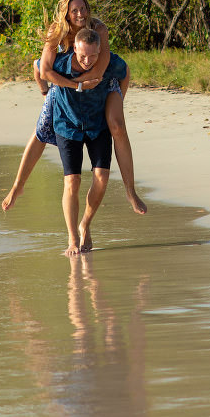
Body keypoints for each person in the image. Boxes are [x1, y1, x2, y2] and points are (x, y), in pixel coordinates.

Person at [1, 0, 146, 215]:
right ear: (66, 14)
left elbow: (98, 71)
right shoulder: (57, 31)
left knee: (116, 126)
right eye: (74, 10)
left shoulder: (98, 29)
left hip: (104, 79)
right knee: (41, 129)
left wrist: (86, 87)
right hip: (66, 84)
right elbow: (43, 69)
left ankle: (130, 191)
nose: (80, 14)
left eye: (83, 8)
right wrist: (60, 89)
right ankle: (17, 186)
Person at [51, 27, 127, 255]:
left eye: (93, 56)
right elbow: (39, 68)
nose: (87, 61)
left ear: (100, 51)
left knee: (102, 177)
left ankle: (85, 223)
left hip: (97, 125)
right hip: (67, 125)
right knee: (72, 181)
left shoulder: (110, 63)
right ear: (74, 48)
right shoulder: (60, 64)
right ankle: (72, 238)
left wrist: (119, 101)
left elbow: (125, 72)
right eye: (82, 55)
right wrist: (45, 92)